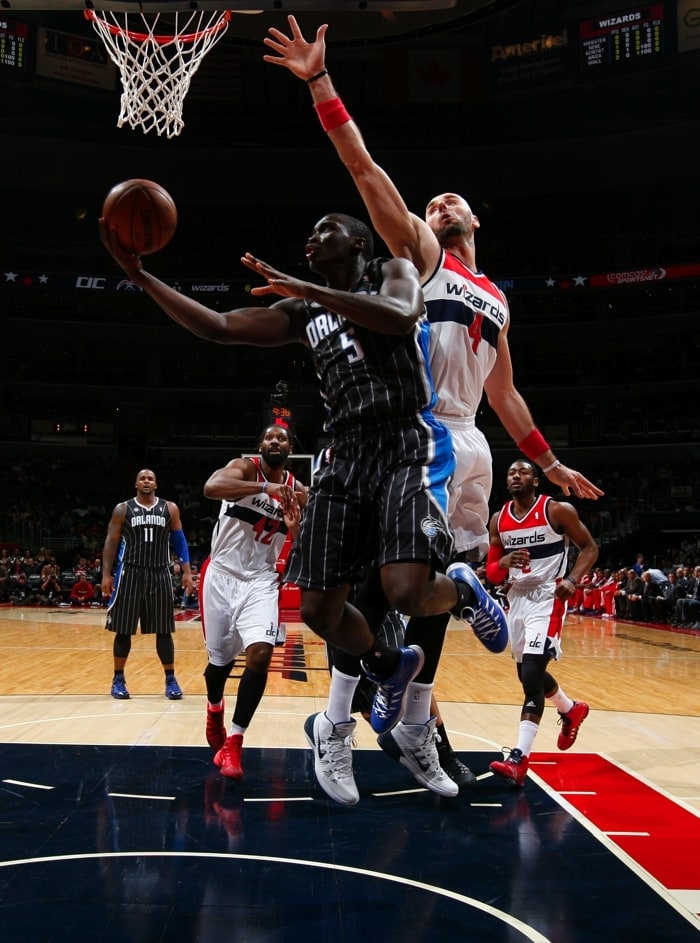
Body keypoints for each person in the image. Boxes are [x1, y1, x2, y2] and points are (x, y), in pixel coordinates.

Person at [262, 16, 603, 798]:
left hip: (472, 444)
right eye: (433, 199)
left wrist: (549, 464)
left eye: (455, 198)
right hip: (407, 436)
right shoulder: (420, 254)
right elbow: (366, 171)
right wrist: (321, 84)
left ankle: (415, 722)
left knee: (432, 603)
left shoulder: (497, 300)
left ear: (478, 220)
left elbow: (506, 393)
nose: (441, 200)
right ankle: (338, 722)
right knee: (381, 588)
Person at [100, 210, 507, 795]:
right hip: (344, 456)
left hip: (407, 443)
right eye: (308, 233)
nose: (310, 239)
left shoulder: (392, 271)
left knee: (405, 591)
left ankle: (464, 591)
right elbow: (217, 326)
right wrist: (141, 278)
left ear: (358, 245)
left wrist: (308, 289)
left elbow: (400, 316)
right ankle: (389, 668)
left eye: (325, 231)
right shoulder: (302, 311)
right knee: (318, 611)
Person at [201, 423, 306, 781]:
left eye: (281, 439)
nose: (274, 441)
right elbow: (211, 487)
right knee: (219, 664)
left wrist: (294, 528)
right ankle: (214, 708)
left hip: (261, 580)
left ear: (290, 449)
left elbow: (305, 546)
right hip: (222, 575)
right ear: (260, 445)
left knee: (261, 654)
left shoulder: (298, 493)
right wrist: (265, 487)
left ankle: (235, 740)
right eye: (268, 437)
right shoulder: (245, 468)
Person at [485, 460, 599, 787]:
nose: (515, 476)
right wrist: (504, 562)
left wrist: (574, 580)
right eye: (510, 473)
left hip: (548, 597)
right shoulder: (499, 519)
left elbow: (590, 547)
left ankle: (519, 758)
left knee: (532, 674)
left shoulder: (557, 511)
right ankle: (570, 709)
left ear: (536, 480)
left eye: (522, 472)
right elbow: (493, 572)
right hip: (517, 599)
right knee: (526, 673)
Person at [101, 468, 194, 700]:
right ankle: (118, 678)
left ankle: (170, 679)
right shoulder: (123, 509)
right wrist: (106, 574)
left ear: (156, 484)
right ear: (136, 484)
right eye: (142, 478)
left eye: (150, 478)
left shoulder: (169, 508)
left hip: (160, 573)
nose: (146, 481)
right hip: (130, 572)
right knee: (123, 630)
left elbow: (180, 541)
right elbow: (111, 543)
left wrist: (187, 571)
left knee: (164, 630)